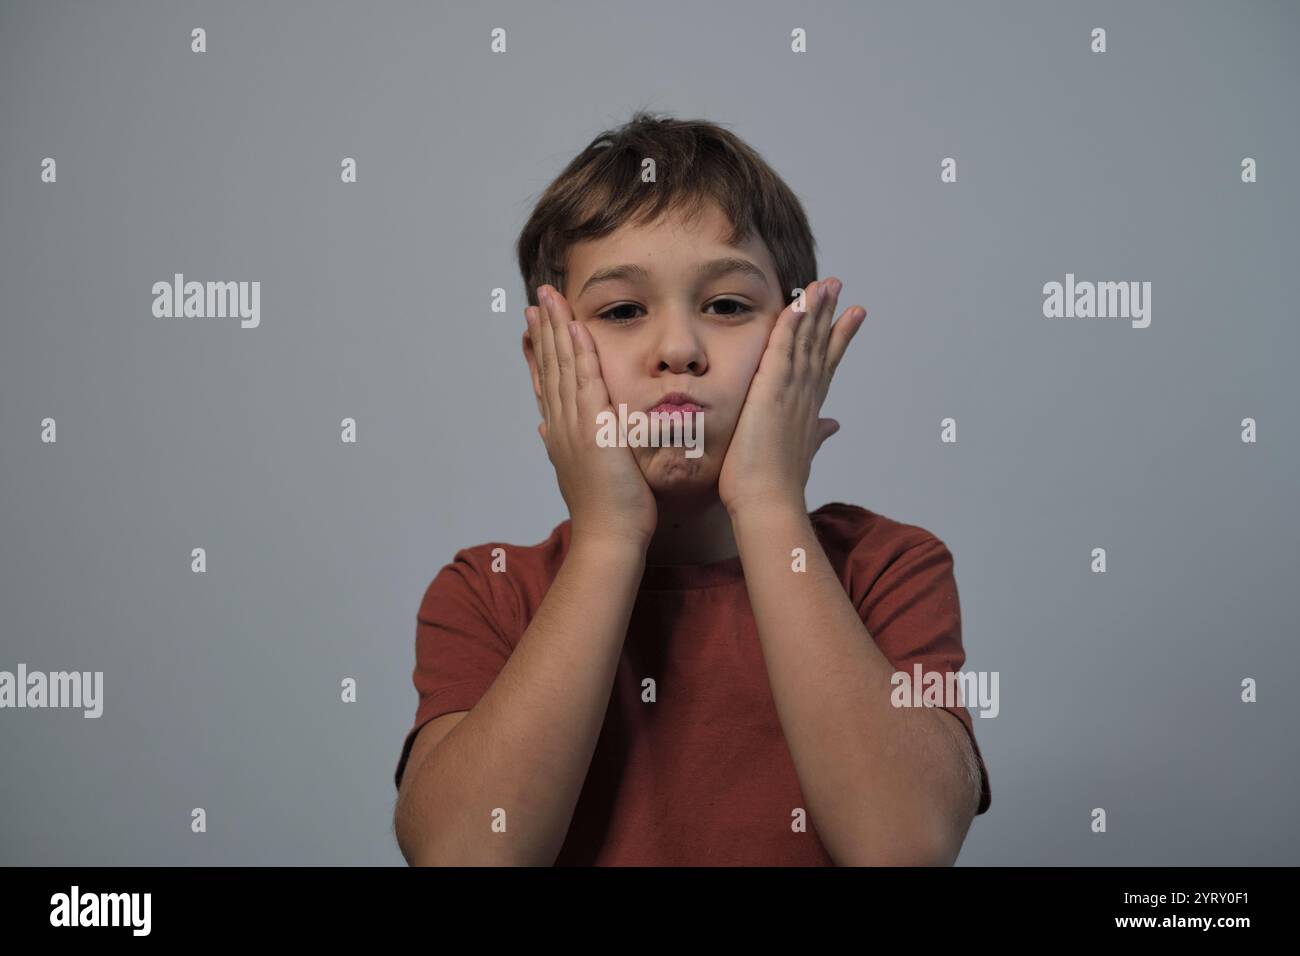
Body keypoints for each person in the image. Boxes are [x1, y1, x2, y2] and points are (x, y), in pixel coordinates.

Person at [392, 111, 990, 866]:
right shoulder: (489, 592)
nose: (678, 349)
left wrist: (770, 502)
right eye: (622, 311)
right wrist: (609, 536)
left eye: (729, 306)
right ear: (546, 359)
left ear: (796, 340)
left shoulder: (887, 569)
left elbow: (903, 846)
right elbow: (465, 855)